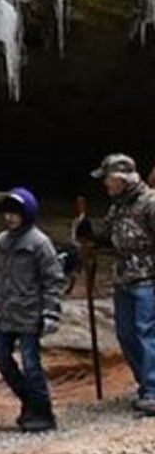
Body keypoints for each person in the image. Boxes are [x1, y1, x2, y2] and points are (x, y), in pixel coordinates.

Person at [73, 152, 155, 416]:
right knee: (125, 333)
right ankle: (146, 384)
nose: (104, 184)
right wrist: (88, 231)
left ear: (121, 178)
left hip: (148, 278)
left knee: (145, 332)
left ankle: (153, 391)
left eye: (107, 179)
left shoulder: (150, 203)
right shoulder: (118, 206)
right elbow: (106, 235)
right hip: (124, 278)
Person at [0, 187, 64, 432]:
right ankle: (30, 402)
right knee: (1, 357)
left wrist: (50, 312)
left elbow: (52, 279)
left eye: (16, 212)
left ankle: (42, 412)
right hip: (4, 313)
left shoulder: (40, 243)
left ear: (28, 212)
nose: (10, 217)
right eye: (7, 211)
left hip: (30, 313)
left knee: (31, 363)